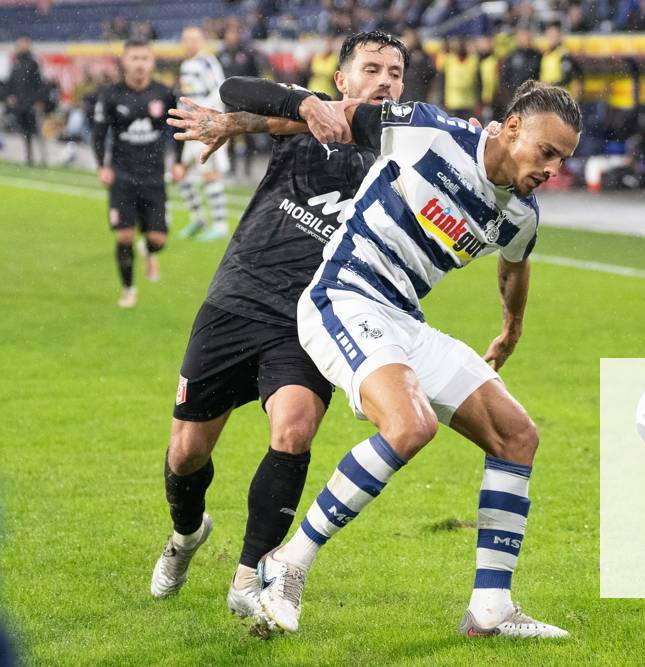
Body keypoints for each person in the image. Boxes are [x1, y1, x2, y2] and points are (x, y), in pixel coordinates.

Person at [239, 79, 581, 638]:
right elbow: (330, 115)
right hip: (343, 296)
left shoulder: (521, 215)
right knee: (410, 425)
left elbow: (515, 264)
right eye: (547, 152)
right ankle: (286, 563)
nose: (552, 168)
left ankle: (491, 609)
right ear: (513, 126)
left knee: (518, 436)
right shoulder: (426, 132)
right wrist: (253, 115)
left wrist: (511, 327)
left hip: (402, 321)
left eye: (562, 160)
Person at [151, 31, 410, 624]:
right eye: (372, 69)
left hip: (312, 319)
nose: (386, 81)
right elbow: (234, 88)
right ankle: (186, 535)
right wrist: (302, 106)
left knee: (294, 429)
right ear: (343, 80)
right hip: (237, 300)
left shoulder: (406, 149)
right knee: (187, 453)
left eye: (396, 73)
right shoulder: (307, 115)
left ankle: (250, 575)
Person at [92, 39, 182, 308]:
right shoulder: (110, 95)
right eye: (134, 58)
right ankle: (129, 289)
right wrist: (102, 166)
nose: (140, 63)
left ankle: (149, 250)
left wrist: (177, 162)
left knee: (158, 239)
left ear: (152, 62)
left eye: (145, 58)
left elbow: (178, 128)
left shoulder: (165, 93)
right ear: (125, 61)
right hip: (122, 176)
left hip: (154, 177)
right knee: (124, 235)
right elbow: (99, 135)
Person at [175, 26, 231, 241]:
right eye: (186, 39)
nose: (189, 43)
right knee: (181, 174)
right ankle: (198, 218)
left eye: (194, 39)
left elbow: (220, 89)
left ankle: (220, 224)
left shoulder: (206, 61)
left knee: (209, 174)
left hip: (207, 126)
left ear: (201, 41)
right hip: (191, 127)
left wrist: (203, 114)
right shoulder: (186, 65)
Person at [217, 23, 269, 177]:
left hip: (246, 100)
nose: (231, 37)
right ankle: (232, 166)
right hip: (228, 100)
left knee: (249, 134)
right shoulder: (221, 54)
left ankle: (248, 167)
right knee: (229, 134)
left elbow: (256, 75)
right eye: (229, 33)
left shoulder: (247, 54)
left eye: (234, 33)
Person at [6, 35, 45, 167]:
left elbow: (39, 83)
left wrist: (38, 100)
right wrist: (10, 95)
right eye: (20, 43)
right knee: (23, 130)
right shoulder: (15, 62)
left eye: (24, 43)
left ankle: (42, 158)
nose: (22, 45)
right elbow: (11, 82)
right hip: (19, 103)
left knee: (35, 131)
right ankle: (28, 157)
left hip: (30, 102)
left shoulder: (33, 63)